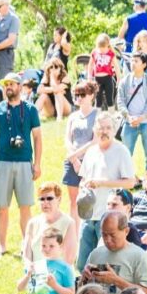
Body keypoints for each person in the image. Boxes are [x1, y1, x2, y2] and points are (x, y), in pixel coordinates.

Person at [0, 73, 42, 256]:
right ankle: (2, 246)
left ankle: (27, 246)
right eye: (6, 84)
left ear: (19, 86)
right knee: (2, 208)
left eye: (12, 84)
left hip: (25, 162)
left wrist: (37, 164)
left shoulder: (31, 109)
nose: (8, 87)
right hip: (2, 161)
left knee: (25, 207)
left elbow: (38, 138)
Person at [74, 112, 136, 270]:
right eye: (101, 128)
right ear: (95, 130)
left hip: (109, 216)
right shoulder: (91, 152)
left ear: (114, 130)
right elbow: (83, 178)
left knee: (103, 265)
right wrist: (83, 188)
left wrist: (102, 183)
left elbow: (130, 182)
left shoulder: (121, 151)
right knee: (82, 264)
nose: (104, 131)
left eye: (108, 128)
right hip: (88, 214)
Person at [18, 228, 76, 294]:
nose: (46, 249)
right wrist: (27, 275)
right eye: (43, 245)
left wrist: (55, 286)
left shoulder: (65, 268)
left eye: (51, 246)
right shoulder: (35, 265)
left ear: (60, 247)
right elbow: (20, 288)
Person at [63, 81, 99, 229]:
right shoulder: (73, 116)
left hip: (90, 161)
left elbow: (95, 141)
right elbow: (67, 138)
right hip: (72, 161)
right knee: (73, 201)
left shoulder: (97, 115)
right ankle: (74, 233)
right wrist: (74, 159)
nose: (78, 98)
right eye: (76, 95)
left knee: (89, 198)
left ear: (91, 95)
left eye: (82, 95)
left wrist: (76, 156)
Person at [118, 52, 147, 171]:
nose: (133, 64)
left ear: (144, 64)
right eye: (132, 61)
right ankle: (126, 180)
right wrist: (129, 117)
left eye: (136, 61)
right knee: (125, 155)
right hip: (129, 122)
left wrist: (140, 118)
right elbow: (120, 102)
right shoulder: (124, 82)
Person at [23, 182, 77, 265]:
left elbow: (69, 260)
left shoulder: (69, 223)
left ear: (59, 199)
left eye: (49, 198)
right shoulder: (32, 223)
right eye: (42, 199)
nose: (45, 202)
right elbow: (27, 257)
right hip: (35, 274)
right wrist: (30, 270)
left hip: (59, 275)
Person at [88, 34, 120, 109]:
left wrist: (118, 79)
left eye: (104, 47)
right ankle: (97, 115)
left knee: (109, 99)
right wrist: (89, 77)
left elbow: (116, 66)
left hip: (108, 78)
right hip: (97, 79)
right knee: (98, 99)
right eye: (100, 47)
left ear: (108, 45)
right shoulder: (94, 52)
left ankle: (111, 115)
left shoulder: (111, 54)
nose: (102, 50)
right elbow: (90, 65)